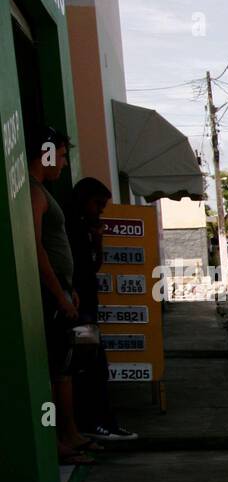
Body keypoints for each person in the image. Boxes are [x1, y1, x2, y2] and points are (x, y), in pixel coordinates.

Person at [29, 127, 96, 464]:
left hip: (60, 293)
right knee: (54, 372)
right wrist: (59, 294)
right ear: (48, 153)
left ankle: (68, 433)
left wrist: (67, 288)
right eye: (63, 155)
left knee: (63, 370)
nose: (64, 163)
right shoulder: (35, 193)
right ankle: (54, 437)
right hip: (50, 297)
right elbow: (36, 247)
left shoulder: (43, 191)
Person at [66, 176, 135, 442]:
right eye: (98, 204)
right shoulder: (70, 226)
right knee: (87, 369)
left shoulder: (85, 227)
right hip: (78, 310)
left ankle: (104, 422)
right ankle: (92, 424)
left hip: (88, 308)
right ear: (84, 200)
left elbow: (94, 266)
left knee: (96, 367)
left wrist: (98, 240)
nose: (101, 210)